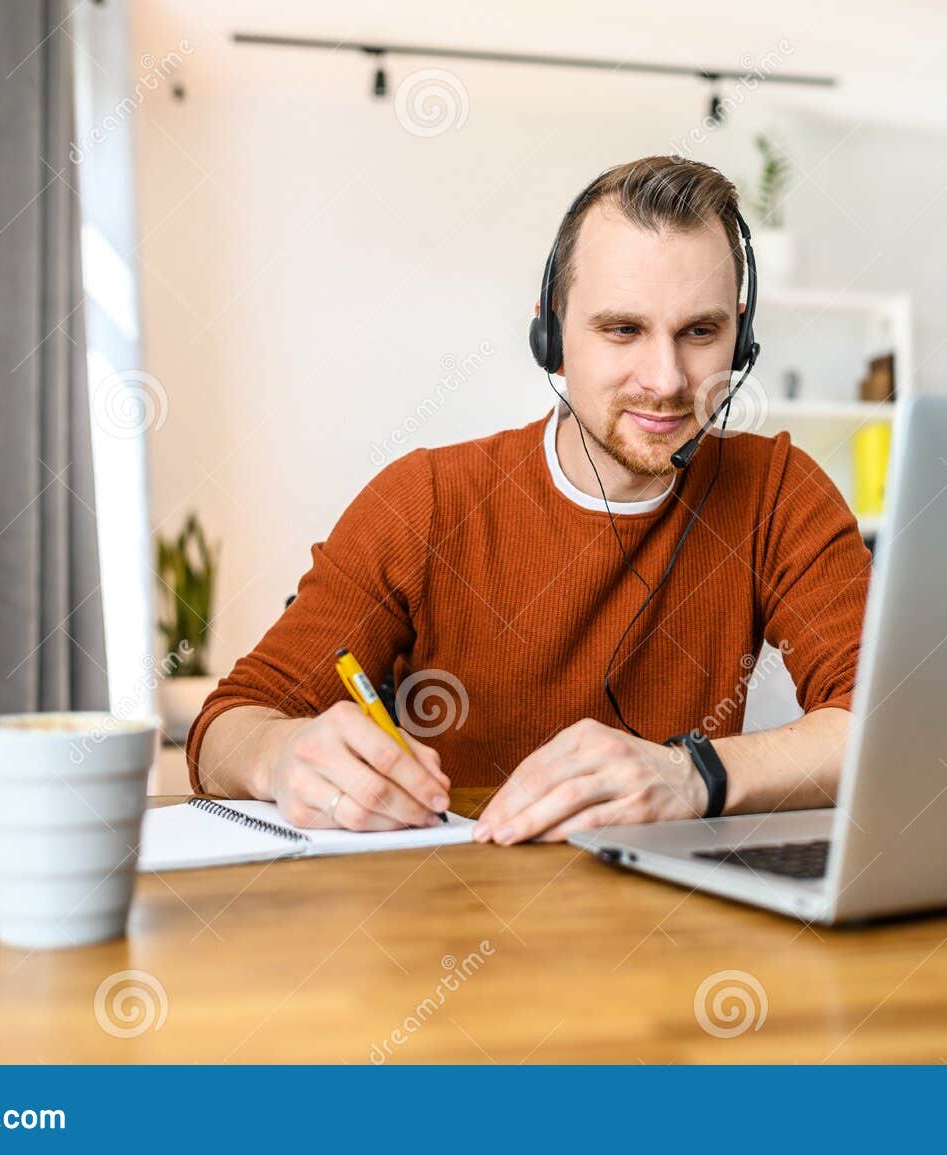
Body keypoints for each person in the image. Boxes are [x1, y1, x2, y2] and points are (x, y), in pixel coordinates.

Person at [188, 155, 874, 844]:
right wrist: (284, 756)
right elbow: (227, 726)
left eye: (700, 332)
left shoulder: (777, 491)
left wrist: (692, 774)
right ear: (550, 335)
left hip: (680, 925)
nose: (667, 380)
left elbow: (892, 719)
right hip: (455, 907)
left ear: (742, 336)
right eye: (622, 330)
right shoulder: (425, 500)